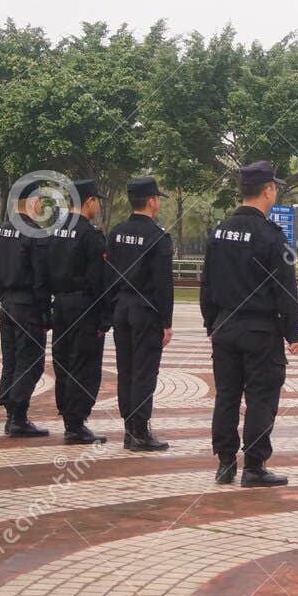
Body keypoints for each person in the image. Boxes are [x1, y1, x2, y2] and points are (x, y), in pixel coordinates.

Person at [200, 160, 298, 487]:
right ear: (268, 190)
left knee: (226, 396)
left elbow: (207, 284)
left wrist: (210, 324)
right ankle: (254, 466)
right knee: (261, 396)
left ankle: (225, 463)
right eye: (275, 188)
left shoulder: (219, 231)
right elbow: (285, 289)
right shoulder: (271, 236)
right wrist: (292, 332)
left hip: (225, 327)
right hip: (260, 331)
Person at [107, 176, 174, 451]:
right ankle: (140, 430)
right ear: (151, 201)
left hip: (121, 308)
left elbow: (108, 275)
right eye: (157, 198)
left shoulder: (116, 232)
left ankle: (128, 429)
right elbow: (163, 284)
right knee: (145, 372)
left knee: (126, 370)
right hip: (146, 311)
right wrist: (166, 322)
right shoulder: (157, 237)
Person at [48, 179, 111, 445]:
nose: (97, 206)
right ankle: (76, 423)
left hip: (60, 304)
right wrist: (104, 319)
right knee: (83, 364)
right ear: (89, 201)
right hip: (84, 307)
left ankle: (68, 417)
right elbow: (100, 280)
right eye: (96, 201)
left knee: (63, 362)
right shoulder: (91, 235)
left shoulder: (54, 231)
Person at [0, 182, 52, 437]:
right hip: (28, 306)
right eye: (39, 200)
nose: (40, 205)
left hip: (7, 303)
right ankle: (18, 416)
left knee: (11, 359)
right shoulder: (34, 232)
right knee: (30, 361)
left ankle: (11, 412)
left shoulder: (2, 231)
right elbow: (40, 277)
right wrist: (45, 312)